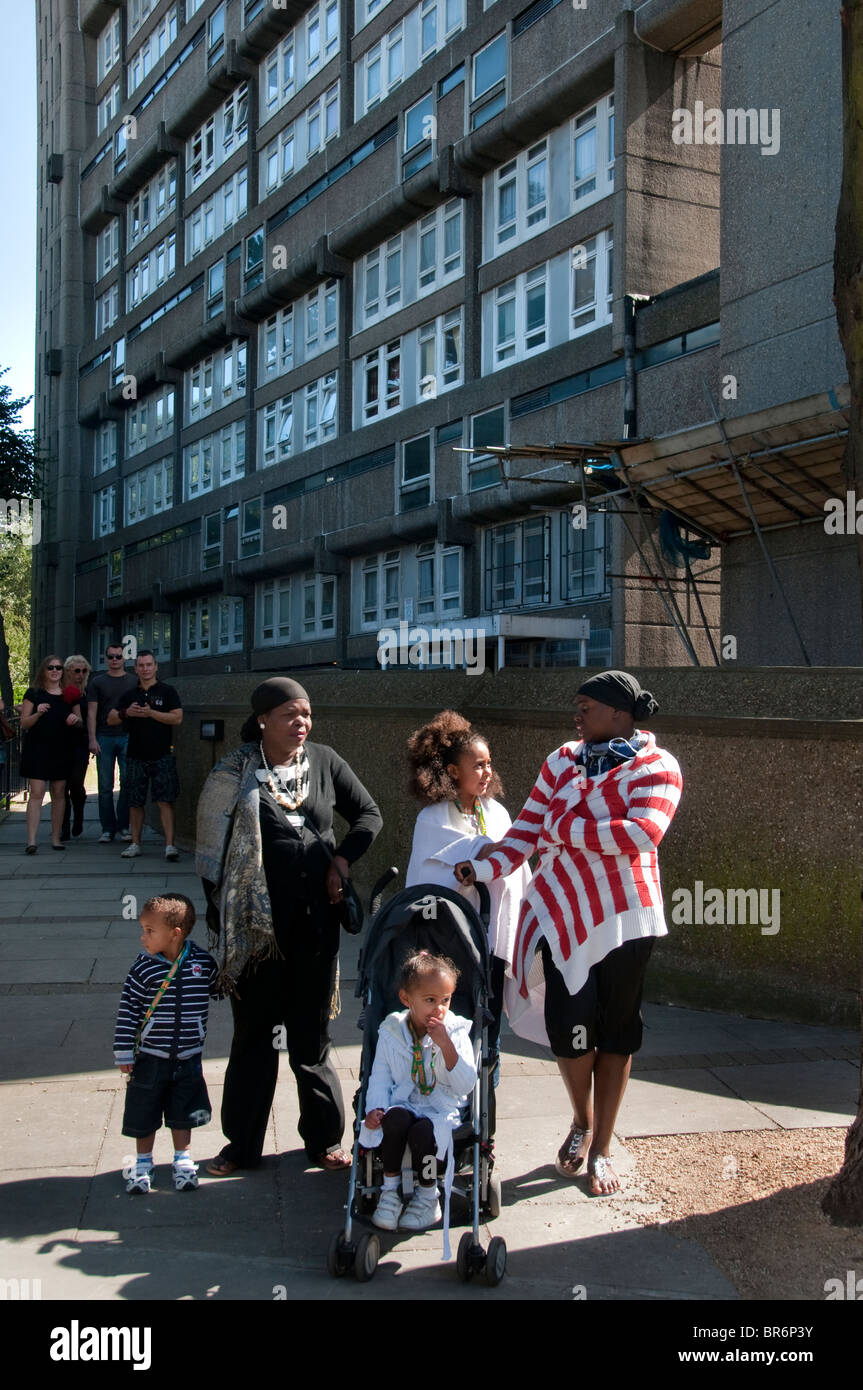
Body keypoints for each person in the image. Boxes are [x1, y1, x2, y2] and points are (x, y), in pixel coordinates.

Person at [455, 671, 682, 1196]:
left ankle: (601, 1147)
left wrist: (564, 830)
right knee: (569, 1029)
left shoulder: (657, 765)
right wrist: (484, 869)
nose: (576, 716)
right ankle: (581, 1119)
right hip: (561, 914)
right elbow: (526, 830)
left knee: (618, 1031)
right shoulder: (561, 759)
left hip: (627, 915)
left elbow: (642, 833)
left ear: (618, 712)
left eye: (585, 707)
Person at [195, 677, 382, 1176]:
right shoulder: (233, 772)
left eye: (306, 714)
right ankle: (241, 1147)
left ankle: (323, 1142)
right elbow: (211, 856)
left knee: (311, 1039)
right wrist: (223, 912)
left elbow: (367, 814)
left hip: (315, 929)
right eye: (289, 715)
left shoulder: (323, 760)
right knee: (253, 1039)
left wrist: (339, 863)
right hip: (255, 933)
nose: (302, 723)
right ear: (262, 719)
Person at [404, 710, 530, 1136]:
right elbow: (428, 877)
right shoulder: (432, 818)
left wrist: (487, 856)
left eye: (489, 762)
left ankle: (482, 1122)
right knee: (451, 1029)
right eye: (477, 764)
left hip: (491, 943)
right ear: (453, 771)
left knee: (488, 1034)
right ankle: (441, 1111)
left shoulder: (498, 812)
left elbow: (512, 863)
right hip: (448, 948)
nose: (486, 770)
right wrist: (480, 854)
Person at [360, 950, 477, 1254]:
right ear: (406, 999)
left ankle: (428, 1197)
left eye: (446, 1000)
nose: (439, 1009)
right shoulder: (391, 1031)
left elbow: (465, 1085)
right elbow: (381, 1077)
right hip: (405, 1102)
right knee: (394, 1121)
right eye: (429, 1000)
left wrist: (446, 1047)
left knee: (424, 1132)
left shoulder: (455, 1031)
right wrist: (376, 1109)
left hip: (441, 1108)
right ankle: (389, 1191)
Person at [114, 894, 220, 1194]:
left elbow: (219, 987)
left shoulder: (201, 963)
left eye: (150, 930)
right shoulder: (143, 967)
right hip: (150, 1056)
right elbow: (128, 1009)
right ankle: (143, 1161)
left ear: (175, 934)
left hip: (188, 1055)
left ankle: (182, 1159)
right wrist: (124, 1050)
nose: (143, 937)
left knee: (183, 1110)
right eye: (143, 929)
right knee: (144, 1109)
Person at [108, 650, 183, 861]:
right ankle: (135, 843)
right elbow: (111, 718)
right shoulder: (130, 695)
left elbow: (177, 718)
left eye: (149, 664)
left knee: (165, 800)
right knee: (134, 801)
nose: (145, 669)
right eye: (141, 665)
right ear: (136, 668)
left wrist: (152, 714)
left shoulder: (168, 691)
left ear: (156, 666)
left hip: (161, 754)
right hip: (135, 755)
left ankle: (170, 845)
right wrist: (126, 713)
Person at [19, 655, 81, 853]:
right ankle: (31, 840)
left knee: (59, 793)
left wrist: (74, 719)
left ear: (63, 671)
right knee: (36, 793)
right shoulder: (34, 693)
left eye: (59, 668)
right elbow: (24, 723)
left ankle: (56, 838)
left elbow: (80, 720)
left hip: (61, 748)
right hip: (37, 748)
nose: (55, 671)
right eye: (50, 668)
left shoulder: (70, 693)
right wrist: (37, 713)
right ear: (43, 671)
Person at [87, 643, 138, 843]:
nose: (115, 659)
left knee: (127, 782)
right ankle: (107, 827)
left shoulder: (134, 681)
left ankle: (123, 826)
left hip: (127, 736)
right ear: (106, 658)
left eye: (118, 656)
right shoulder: (97, 682)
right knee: (105, 785)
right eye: (111, 656)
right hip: (104, 736)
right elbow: (91, 712)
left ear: (124, 658)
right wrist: (92, 738)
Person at [60, 655, 91, 841]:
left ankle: (78, 814)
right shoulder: (61, 691)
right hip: (61, 743)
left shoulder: (88, 692)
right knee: (61, 786)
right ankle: (63, 826)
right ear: (68, 671)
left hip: (81, 743)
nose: (80, 675)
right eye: (76, 671)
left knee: (76, 782)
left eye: (84, 671)